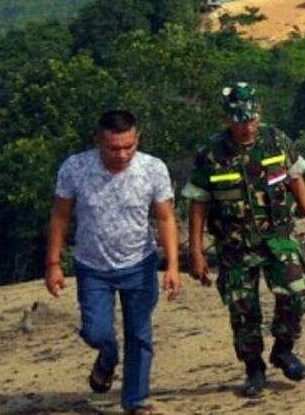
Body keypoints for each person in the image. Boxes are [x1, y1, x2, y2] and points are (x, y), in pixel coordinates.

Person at [184, 82, 305, 398]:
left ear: (258, 115)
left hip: (278, 238)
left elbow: (296, 180)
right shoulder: (211, 153)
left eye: (250, 119)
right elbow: (198, 202)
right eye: (239, 120)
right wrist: (196, 251)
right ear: (226, 119)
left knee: (296, 295)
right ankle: (254, 367)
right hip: (235, 245)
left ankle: (284, 350)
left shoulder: (276, 140)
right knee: (243, 309)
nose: (246, 126)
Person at [45, 110, 180, 415]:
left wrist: (172, 264)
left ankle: (135, 400)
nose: (122, 154)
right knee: (96, 332)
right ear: (98, 141)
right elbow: (60, 215)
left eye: (128, 146)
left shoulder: (153, 168)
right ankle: (107, 356)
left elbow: (165, 217)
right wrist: (53, 263)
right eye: (114, 148)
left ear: (137, 139)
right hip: (92, 266)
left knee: (140, 334)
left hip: (139, 263)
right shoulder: (75, 168)